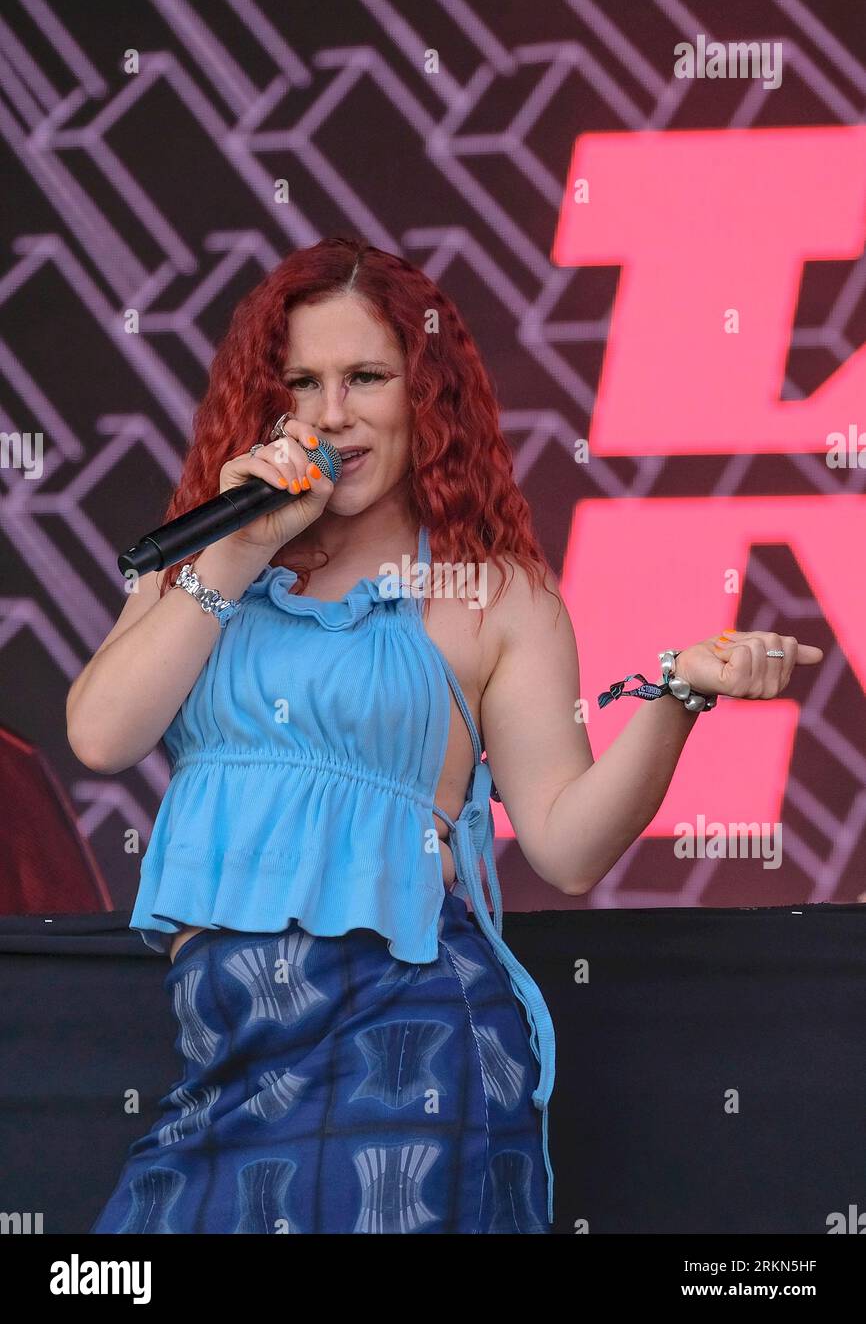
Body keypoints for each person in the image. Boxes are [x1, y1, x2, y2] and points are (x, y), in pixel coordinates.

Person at [68, 236, 823, 1235]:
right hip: (226, 1065)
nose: (333, 413)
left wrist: (678, 693)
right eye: (303, 382)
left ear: (423, 395)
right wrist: (241, 547)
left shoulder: (494, 597)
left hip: (405, 1044)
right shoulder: (208, 559)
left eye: (366, 377)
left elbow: (564, 840)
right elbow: (101, 735)